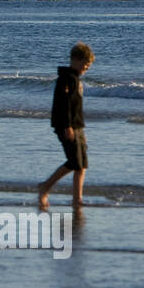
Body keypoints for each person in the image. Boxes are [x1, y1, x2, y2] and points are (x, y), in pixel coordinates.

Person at [38, 42, 94, 207]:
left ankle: (77, 199)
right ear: (75, 60)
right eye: (86, 64)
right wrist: (68, 126)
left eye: (89, 65)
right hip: (66, 126)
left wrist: (79, 128)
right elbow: (64, 105)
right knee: (74, 162)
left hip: (78, 126)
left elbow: (75, 107)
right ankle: (45, 187)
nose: (87, 68)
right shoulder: (66, 79)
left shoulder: (75, 79)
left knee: (82, 164)